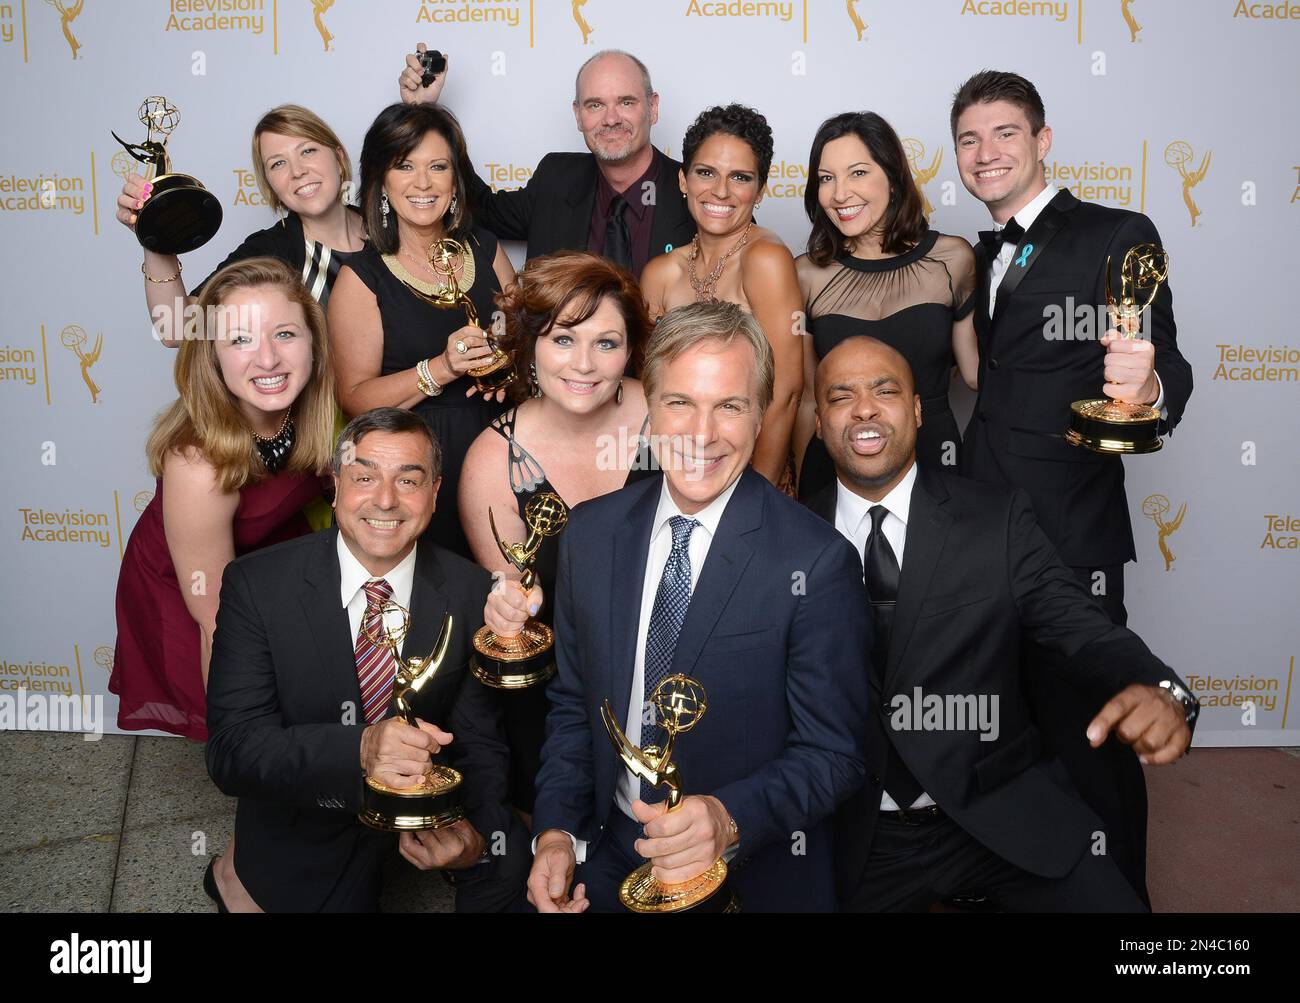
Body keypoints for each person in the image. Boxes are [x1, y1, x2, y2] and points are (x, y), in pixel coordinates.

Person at [804, 336, 1199, 911]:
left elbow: (1084, 630)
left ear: (917, 410)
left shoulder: (998, 519)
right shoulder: (786, 536)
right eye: (842, 397)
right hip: (856, 836)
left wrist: (1162, 691)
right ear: (818, 423)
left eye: (885, 391)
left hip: (998, 816)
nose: (865, 408)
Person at [527, 302, 870, 913]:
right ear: (648, 408)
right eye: (680, 403)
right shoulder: (589, 535)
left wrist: (728, 818)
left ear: (762, 414)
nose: (702, 434)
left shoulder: (818, 563)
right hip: (610, 857)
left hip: (751, 875)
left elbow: (836, 756)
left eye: (729, 406)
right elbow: (574, 709)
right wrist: (557, 833)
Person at [951, 70, 1193, 902]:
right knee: (1008, 731)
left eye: (1005, 134)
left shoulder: (1116, 234)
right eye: (970, 139)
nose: (986, 153)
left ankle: (1128, 904)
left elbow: (1171, 368)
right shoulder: (976, 250)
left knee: (1094, 735)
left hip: (1071, 534)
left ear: (1042, 141)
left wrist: (1146, 388)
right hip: (982, 526)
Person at [205, 408, 528, 912]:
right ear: (336, 485)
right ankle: (233, 873)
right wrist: (359, 748)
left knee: (513, 868)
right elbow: (232, 752)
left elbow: (480, 741)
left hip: (421, 798)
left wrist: (477, 836)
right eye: (364, 476)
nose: (385, 499)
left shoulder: (468, 592)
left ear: (436, 492)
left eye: (408, 479)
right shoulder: (257, 586)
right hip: (312, 804)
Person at [109, 257, 336, 912]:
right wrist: (245, 732)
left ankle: (250, 863)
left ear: (314, 341)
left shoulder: (314, 410)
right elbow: (214, 617)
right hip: (202, 587)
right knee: (280, 749)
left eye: (284, 334)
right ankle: (236, 878)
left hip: (273, 558)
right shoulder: (197, 464)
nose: (266, 357)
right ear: (212, 355)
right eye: (239, 337)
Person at [460, 252, 654, 822]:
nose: (585, 364)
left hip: (675, 664)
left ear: (630, 349)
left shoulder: (669, 416)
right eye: (564, 339)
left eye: (607, 343)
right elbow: (508, 587)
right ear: (530, 345)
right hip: (563, 688)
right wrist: (510, 607)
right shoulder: (493, 460)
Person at [329, 103, 515, 559]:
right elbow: (354, 397)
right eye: (405, 166)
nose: (423, 183)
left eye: (438, 167)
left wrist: (507, 368)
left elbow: (524, 341)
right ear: (380, 181)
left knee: (514, 594)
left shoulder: (486, 249)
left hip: (506, 451)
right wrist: (444, 367)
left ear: (456, 179)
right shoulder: (362, 278)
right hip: (419, 467)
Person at [794, 111, 978, 501]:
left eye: (858, 173)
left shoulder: (952, 259)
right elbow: (809, 396)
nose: (839, 193)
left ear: (893, 179)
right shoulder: (807, 274)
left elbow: (978, 375)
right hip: (836, 462)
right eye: (827, 179)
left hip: (934, 457)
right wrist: (795, 485)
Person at [400, 46, 695, 277]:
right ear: (578, 115)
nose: (611, 119)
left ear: (652, 108)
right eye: (595, 105)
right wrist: (425, 113)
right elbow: (479, 208)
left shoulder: (695, 193)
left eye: (626, 102)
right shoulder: (556, 178)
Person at [639, 104, 803, 489]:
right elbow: (647, 388)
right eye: (706, 172)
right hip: (678, 467)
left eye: (741, 177)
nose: (721, 191)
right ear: (683, 180)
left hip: (751, 468)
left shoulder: (765, 259)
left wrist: (753, 496)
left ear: (760, 190)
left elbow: (786, 394)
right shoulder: (660, 273)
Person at [116, 104, 366, 346]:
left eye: (308, 151)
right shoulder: (270, 251)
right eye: (277, 163)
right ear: (270, 185)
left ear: (338, 156)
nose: (297, 171)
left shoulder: (391, 226)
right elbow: (177, 329)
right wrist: (154, 234)